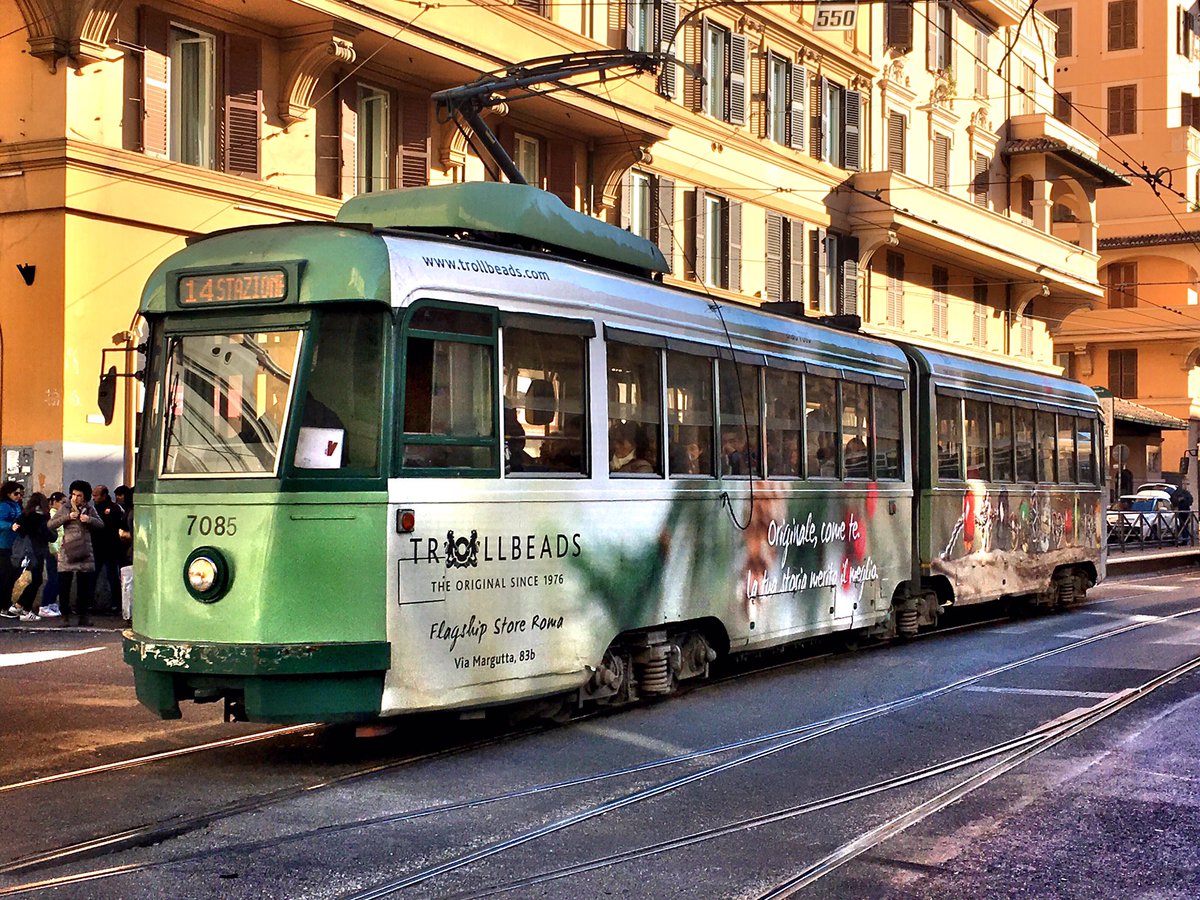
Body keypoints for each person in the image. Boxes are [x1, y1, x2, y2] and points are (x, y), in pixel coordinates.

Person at [47, 480, 104, 627]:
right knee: (64, 584)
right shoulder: (65, 508)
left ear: (85, 497)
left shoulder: (89, 509)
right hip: (68, 551)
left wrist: (89, 520)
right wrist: (67, 517)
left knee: (84, 586)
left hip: (85, 551)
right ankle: (64, 615)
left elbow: (101, 524)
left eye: (79, 495)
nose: (76, 498)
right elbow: (51, 524)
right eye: (73, 494)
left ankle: (83, 616)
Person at [6, 493, 54, 621]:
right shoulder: (42, 518)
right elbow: (50, 536)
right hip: (37, 551)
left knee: (33, 579)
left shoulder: (24, 515)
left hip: (26, 551)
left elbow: (18, 529)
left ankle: (18, 606)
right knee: (37, 580)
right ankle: (24, 609)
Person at [91, 485, 124, 614]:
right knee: (92, 576)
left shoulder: (114, 508)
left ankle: (116, 604)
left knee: (113, 576)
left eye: (96, 495)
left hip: (111, 547)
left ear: (104, 495)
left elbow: (115, 525)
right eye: (93, 495)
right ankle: (89, 603)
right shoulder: (93, 508)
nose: (94, 498)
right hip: (96, 547)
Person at [39, 492, 65, 618]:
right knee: (53, 578)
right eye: (62, 502)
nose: (64, 505)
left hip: (60, 549)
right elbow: (52, 535)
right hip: (53, 551)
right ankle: (45, 605)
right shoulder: (52, 515)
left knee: (58, 579)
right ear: (54, 502)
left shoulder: (60, 514)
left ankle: (51, 603)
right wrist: (54, 550)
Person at [0, 481, 24, 613]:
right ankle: (4, 605)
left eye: (21, 494)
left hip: (14, 545)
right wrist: (10, 526)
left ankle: (6, 603)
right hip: (4, 545)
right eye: (16, 493)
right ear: (8, 493)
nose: (19, 496)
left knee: (12, 575)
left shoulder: (16, 505)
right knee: (6, 575)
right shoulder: (4, 506)